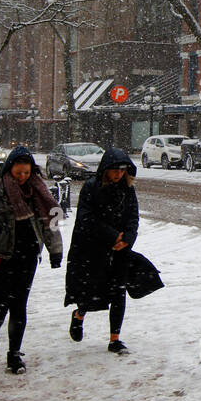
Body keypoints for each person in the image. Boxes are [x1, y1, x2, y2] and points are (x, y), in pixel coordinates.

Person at [0, 146, 63, 374]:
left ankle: (14, 355)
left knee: (19, 307)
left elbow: (51, 223)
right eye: (18, 172)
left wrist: (55, 250)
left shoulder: (39, 194)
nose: (22, 177)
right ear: (9, 170)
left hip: (26, 259)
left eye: (26, 173)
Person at [65, 148, 145, 355]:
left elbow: (133, 217)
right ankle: (79, 314)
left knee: (118, 291)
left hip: (120, 250)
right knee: (90, 289)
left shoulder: (128, 190)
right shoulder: (91, 187)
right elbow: (86, 217)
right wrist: (112, 236)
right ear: (105, 170)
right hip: (93, 248)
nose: (118, 174)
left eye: (122, 169)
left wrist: (127, 238)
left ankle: (115, 338)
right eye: (114, 170)